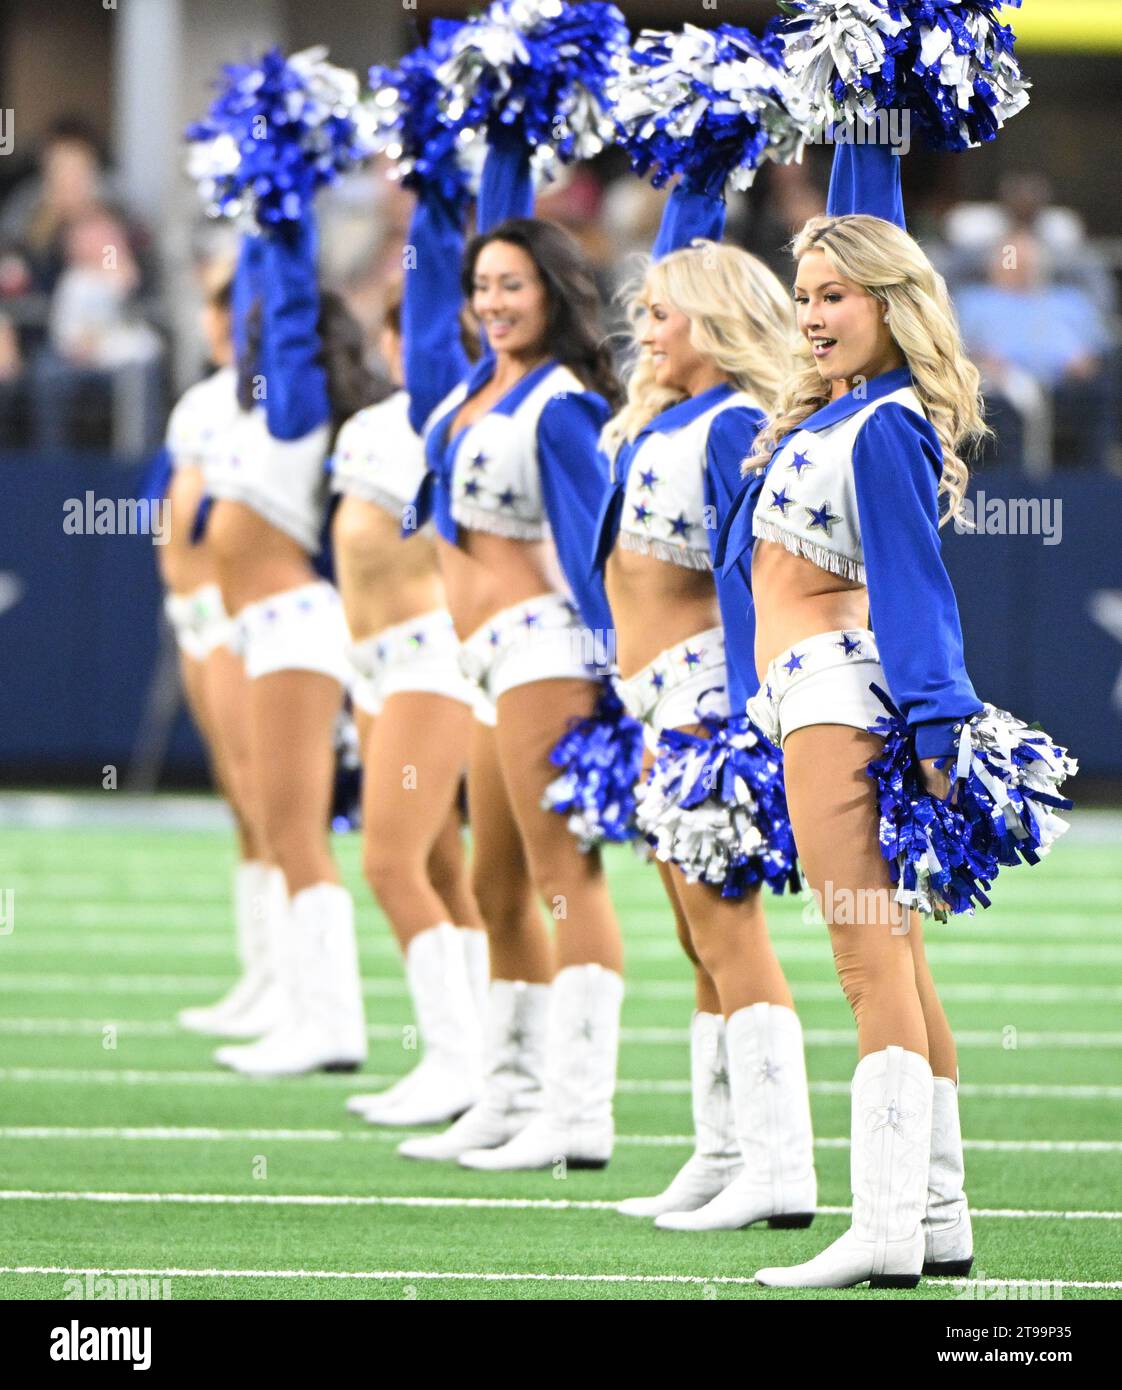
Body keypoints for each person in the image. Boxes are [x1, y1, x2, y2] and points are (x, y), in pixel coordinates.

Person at [718, 144, 1071, 1288]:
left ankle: (883, 1231)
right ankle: (937, 1213)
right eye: (805, 296)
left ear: (889, 304)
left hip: (840, 701)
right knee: (901, 964)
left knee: (867, 958)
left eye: (835, 297)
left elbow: (917, 586)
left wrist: (933, 729)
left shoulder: (883, 428)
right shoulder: (840, 414)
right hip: (806, 697)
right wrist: (862, 130)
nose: (811, 316)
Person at [394, 130, 627, 1171]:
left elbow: (590, 546)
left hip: (546, 652)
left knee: (564, 881)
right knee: (493, 887)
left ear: (556, 293)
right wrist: (480, 159)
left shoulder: (567, 403)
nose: (495, 302)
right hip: (479, 663)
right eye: (483, 285)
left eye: (516, 286)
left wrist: (624, 675)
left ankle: (579, 1116)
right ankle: (509, 1092)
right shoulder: (464, 390)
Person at [593, 184, 815, 1231]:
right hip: (654, 700)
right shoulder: (670, 417)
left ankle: (778, 1165)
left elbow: (743, 571)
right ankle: (722, 1148)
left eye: (662, 312)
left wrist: (746, 721)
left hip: (704, 698)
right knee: (695, 930)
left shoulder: (731, 424)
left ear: (717, 328)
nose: (643, 326)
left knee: (726, 927)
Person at [204, 216, 381, 1077]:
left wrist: (293, 210)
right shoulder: (250, 413)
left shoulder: (295, 416)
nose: (257, 341)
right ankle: (298, 1005)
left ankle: (333, 1021)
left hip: (296, 634)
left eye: (273, 336)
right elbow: (262, 304)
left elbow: (283, 312)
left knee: (295, 829)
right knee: (275, 825)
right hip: (260, 635)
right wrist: (258, 213)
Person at [331, 280, 490, 1127]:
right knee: (434, 865)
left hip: (433, 657)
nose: (403, 347)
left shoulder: (462, 429)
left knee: (388, 863)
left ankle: (457, 1058)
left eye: (419, 332)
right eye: (395, 331)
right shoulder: (365, 426)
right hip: (368, 664)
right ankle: (481, 1055)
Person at [155, 268, 286, 1043]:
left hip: (239, 618)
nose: (216, 323)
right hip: (194, 612)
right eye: (210, 307)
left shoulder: (266, 405)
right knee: (237, 801)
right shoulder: (200, 401)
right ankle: (258, 971)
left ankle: (285, 979)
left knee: (261, 793)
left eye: (229, 310)